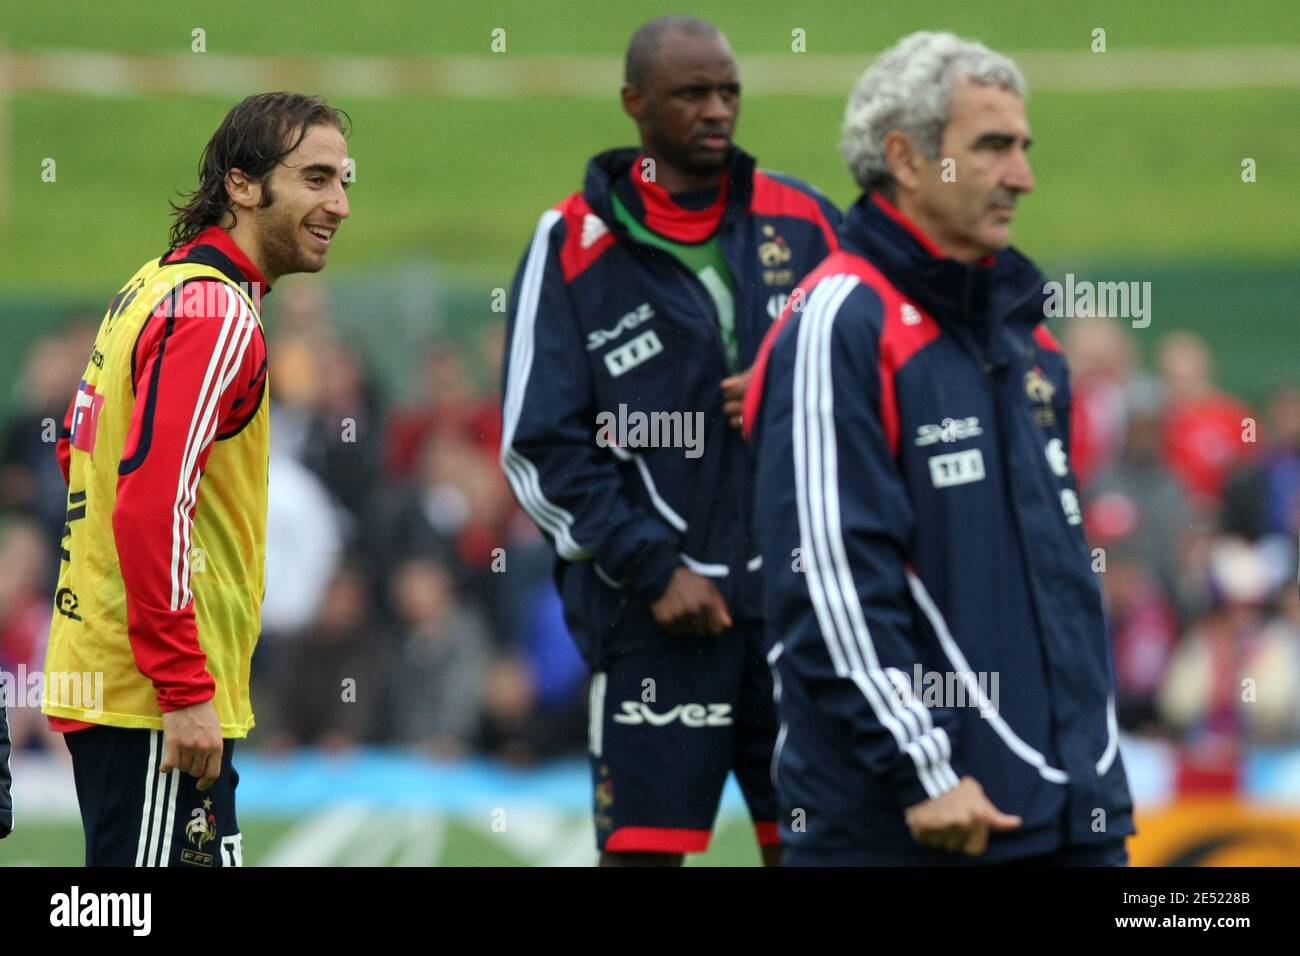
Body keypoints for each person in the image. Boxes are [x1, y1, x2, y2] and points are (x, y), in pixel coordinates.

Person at [745, 32, 1134, 865]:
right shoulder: (841, 320)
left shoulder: (1026, 334)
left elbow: (1058, 580)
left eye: (1024, 148)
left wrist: (1093, 771)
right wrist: (923, 768)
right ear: (907, 159)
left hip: (1070, 814)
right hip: (917, 823)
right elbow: (831, 582)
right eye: (992, 147)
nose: (1023, 175)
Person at [500, 15, 840, 866]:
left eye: (729, 91)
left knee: (819, 853)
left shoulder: (807, 224)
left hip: (798, 621)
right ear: (635, 103)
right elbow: (537, 445)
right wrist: (652, 568)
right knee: (643, 859)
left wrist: (788, 392)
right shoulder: (572, 244)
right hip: (655, 622)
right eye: (693, 93)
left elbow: (884, 387)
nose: (717, 110)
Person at [42, 92, 351, 867]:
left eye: (345, 180)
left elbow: (80, 457)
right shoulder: (216, 313)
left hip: (119, 679)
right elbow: (150, 501)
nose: (339, 204)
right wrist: (183, 687)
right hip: (151, 697)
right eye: (315, 178)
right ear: (242, 184)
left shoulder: (154, 286)